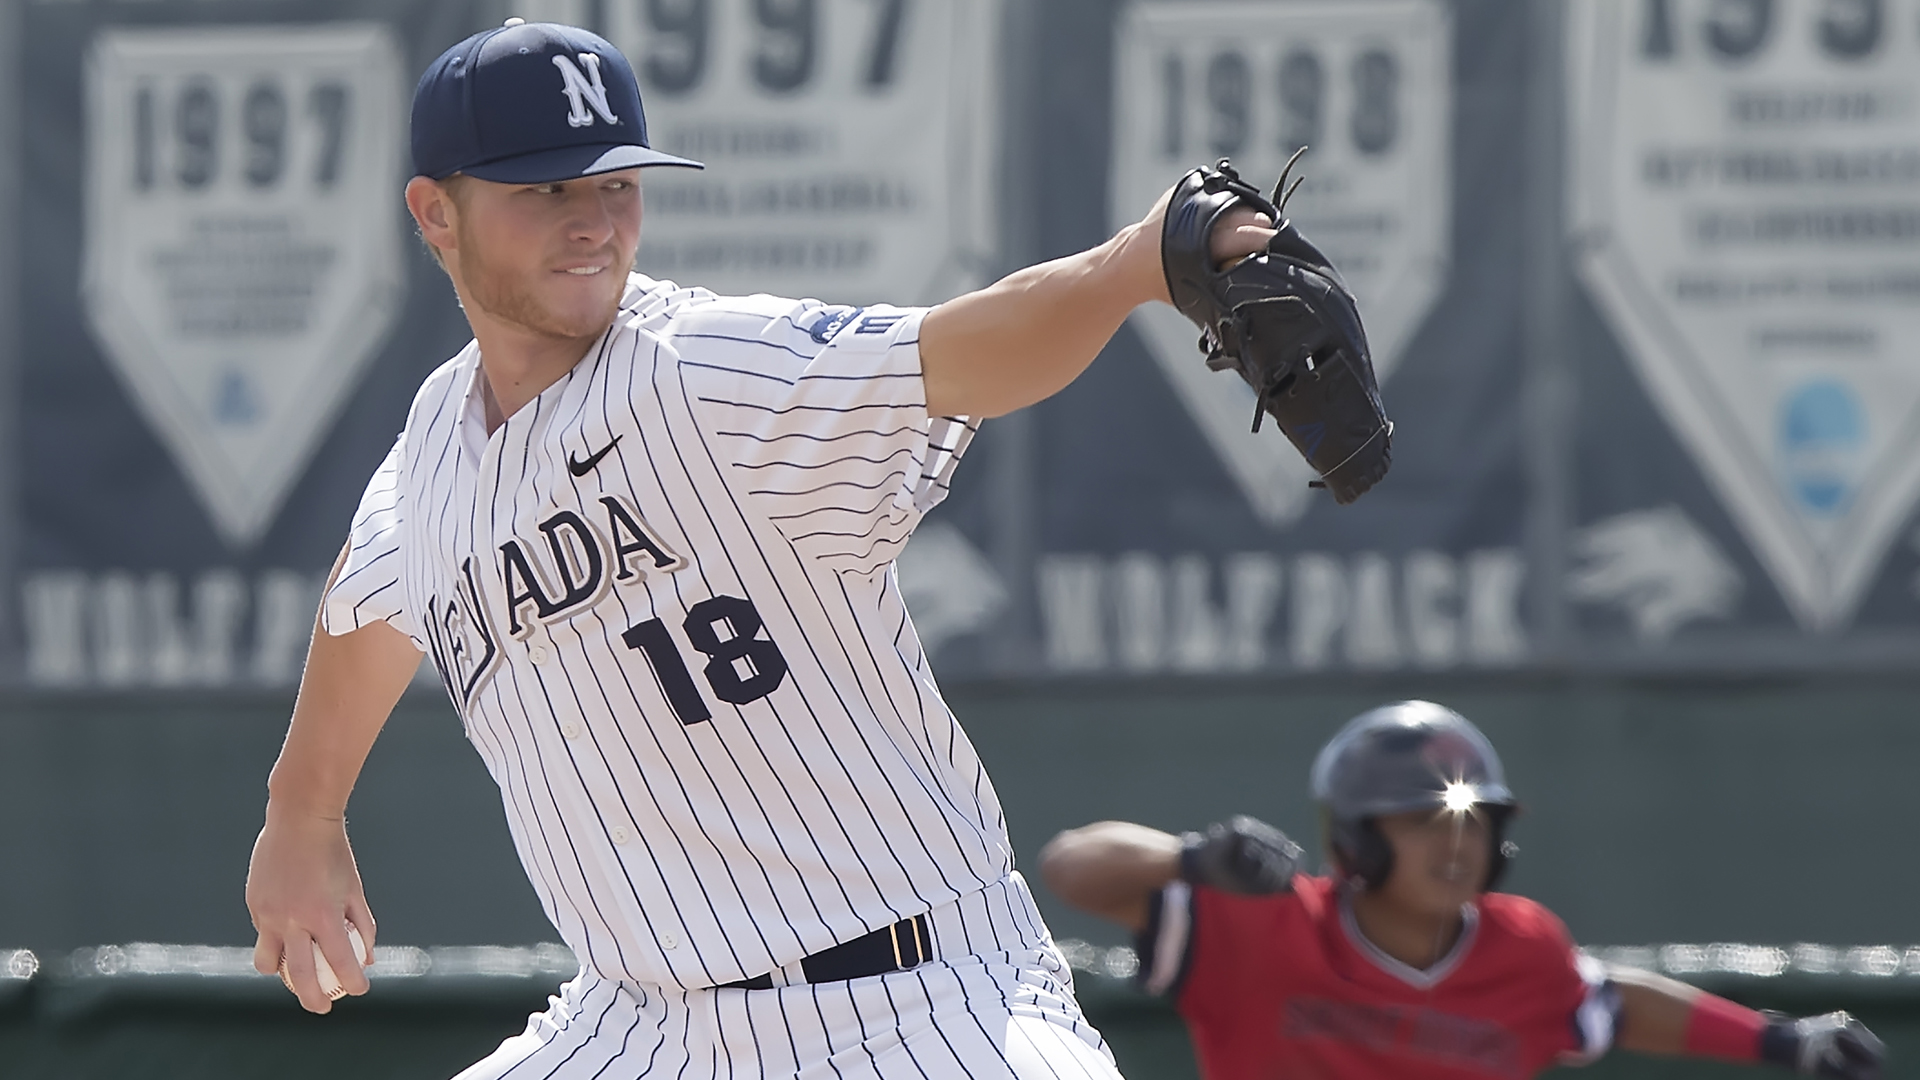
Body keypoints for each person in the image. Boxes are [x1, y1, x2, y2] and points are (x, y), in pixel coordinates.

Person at [242, 17, 1288, 1080]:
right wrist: (302, 810)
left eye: (616, 184)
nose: (593, 222)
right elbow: (369, 598)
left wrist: (1137, 264)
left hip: (910, 1000)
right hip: (637, 1024)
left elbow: (961, 351)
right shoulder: (435, 442)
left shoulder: (700, 370)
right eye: (545, 188)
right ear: (436, 212)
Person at [1039, 700, 1885, 1080]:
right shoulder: (1261, 928)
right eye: (1422, 821)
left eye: (1477, 821)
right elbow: (1070, 865)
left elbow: (1612, 1003)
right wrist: (1189, 859)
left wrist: (1780, 1042)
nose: (1457, 842)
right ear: (1356, 839)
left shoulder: (1524, 949)